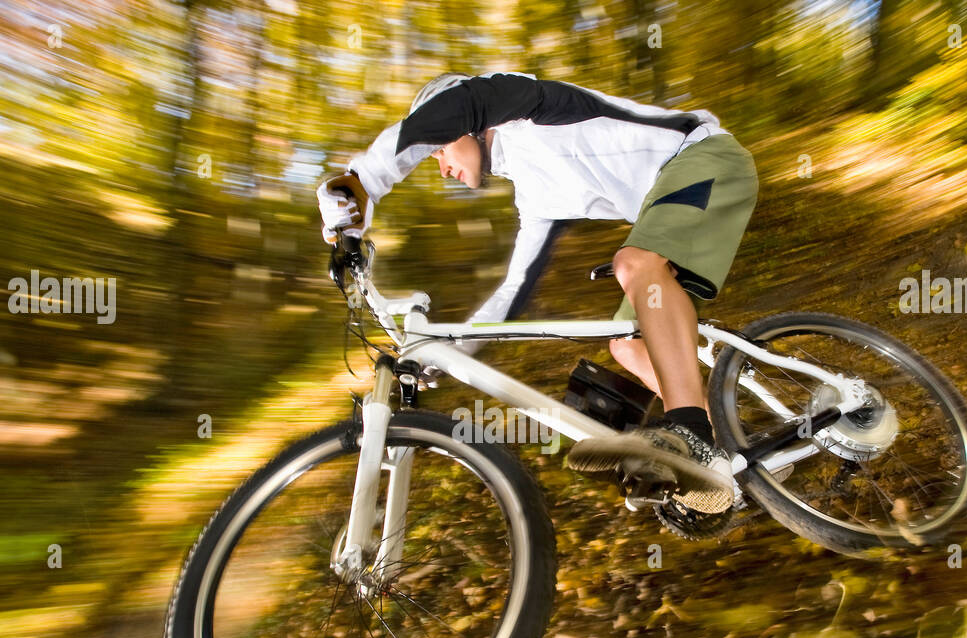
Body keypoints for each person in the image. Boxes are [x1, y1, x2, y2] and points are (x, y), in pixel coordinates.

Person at [317, 71, 758, 514]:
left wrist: (365, 179)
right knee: (629, 345)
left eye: (441, 148)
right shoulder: (533, 196)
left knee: (634, 264)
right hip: (672, 203)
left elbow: (470, 100)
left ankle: (690, 434)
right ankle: (727, 462)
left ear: (467, 127)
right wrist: (447, 351)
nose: (443, 166)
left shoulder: (532, 110)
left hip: (703, 157)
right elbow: (513, 291)